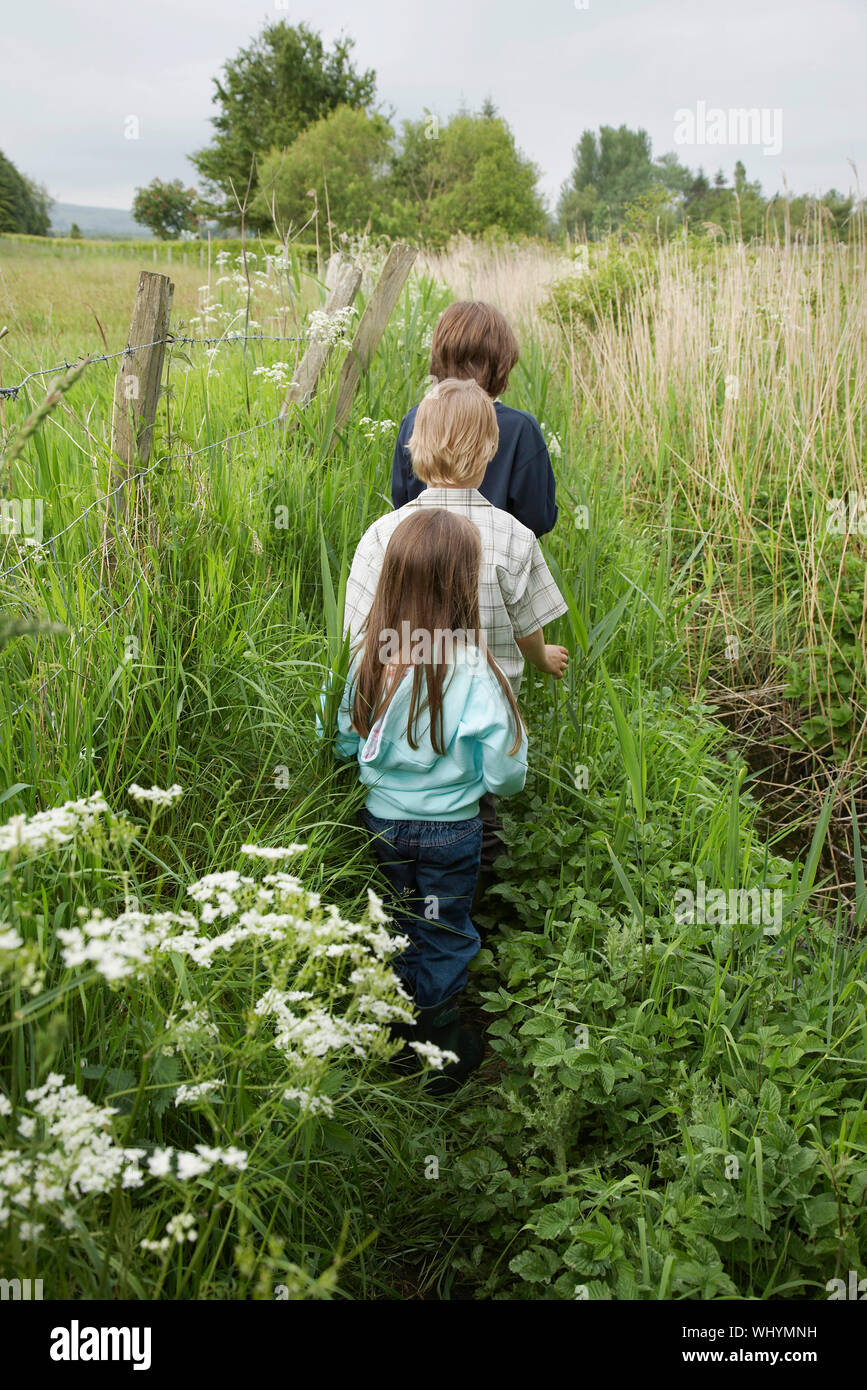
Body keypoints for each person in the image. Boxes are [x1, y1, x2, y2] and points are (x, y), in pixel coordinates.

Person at [346, 376, 568, 904]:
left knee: (398, 836)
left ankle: (405, 917)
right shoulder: (515, 534)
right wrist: (542, 658)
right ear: (490, 447)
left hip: (394, 713)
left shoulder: (383, 533)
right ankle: (471, 904)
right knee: (476, 813)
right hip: (479, 719)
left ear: (414, 447)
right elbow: (526, 623)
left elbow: (356, 636)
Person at [336, 508, 528, 1091]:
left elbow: (346, 737)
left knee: (395, 921)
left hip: (381, 826)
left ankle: (390, 1037)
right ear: (461, 585)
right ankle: (438, 1049)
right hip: (450, 831)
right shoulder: (474, 666)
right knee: (442, 927)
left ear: (392, 580)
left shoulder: (367, 654)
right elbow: (505, 771)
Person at [391, 300, 558, 538]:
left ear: (440, 356)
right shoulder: (521, 429)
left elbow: (402, 503)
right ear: (503, 361)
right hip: (498, 561)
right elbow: (538, 519)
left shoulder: (416, 418)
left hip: (422, 561)